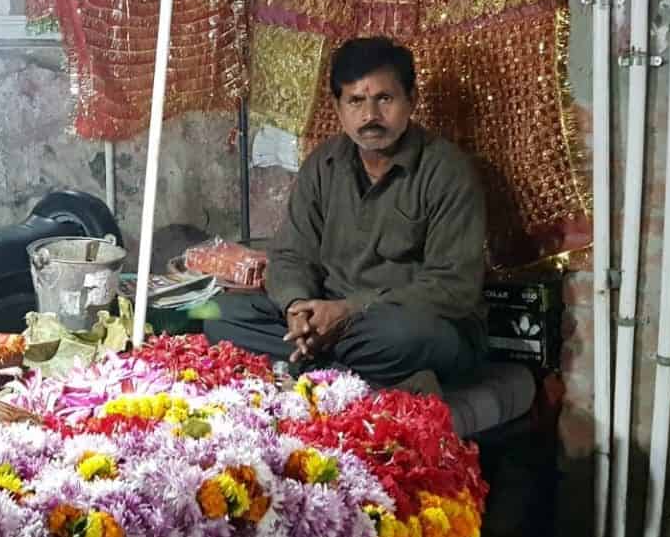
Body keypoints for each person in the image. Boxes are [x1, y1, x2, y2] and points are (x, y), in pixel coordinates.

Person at [204, 36, 486, 390]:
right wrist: (298, 309)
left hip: (404, 323)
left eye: (384, 99)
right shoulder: (324, 164)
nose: (370, 116)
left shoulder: (446, 170)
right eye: (355, 101)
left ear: (411, 100)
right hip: (332, 318)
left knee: (406, 337)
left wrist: (350, 310)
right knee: (224, 316)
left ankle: (315, 368)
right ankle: (341, 372)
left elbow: (452, 286)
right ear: (338, 108)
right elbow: (291, 253)